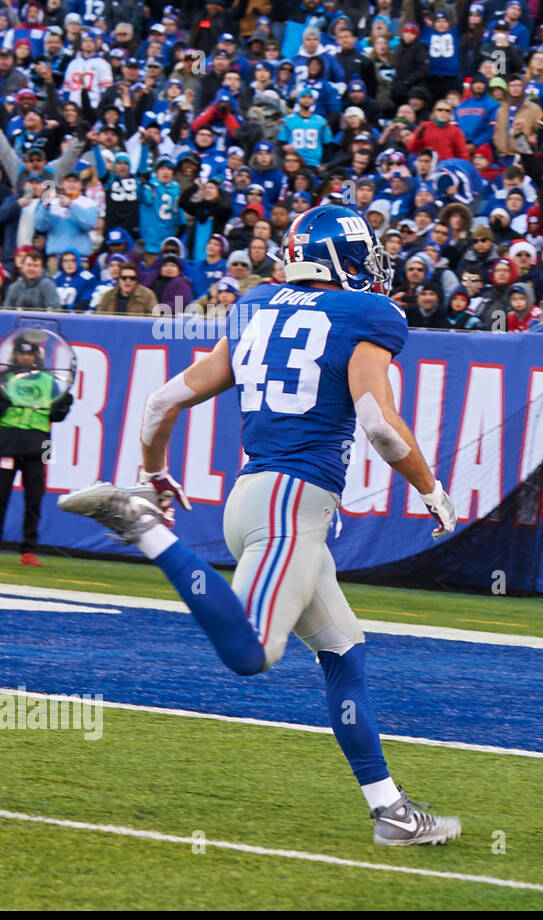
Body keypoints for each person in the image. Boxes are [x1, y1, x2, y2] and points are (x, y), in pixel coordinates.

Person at [57, 205, 461, 848]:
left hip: (259, 499)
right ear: (337, 259)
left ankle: (390, 811)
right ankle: (144, 529)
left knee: (344, 654)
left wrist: (155, 471)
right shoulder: (367, 315)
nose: (371, 265)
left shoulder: (255, 306)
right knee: (251, 653)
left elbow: (162, 401)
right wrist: (432, 489)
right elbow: (381, 428)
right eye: (361, 253)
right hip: (290, 507)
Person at [0, 335, 73, 566]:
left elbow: (56, 417)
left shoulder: (49, 381)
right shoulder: (4, 378)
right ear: (15, 355)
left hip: (41, 441)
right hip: (7, 439)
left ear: (37, 356)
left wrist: (65, 405)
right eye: (22, 353)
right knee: (0, 496)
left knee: (35, 497)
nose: (26, 357)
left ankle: (28, 551)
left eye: (30, 353)